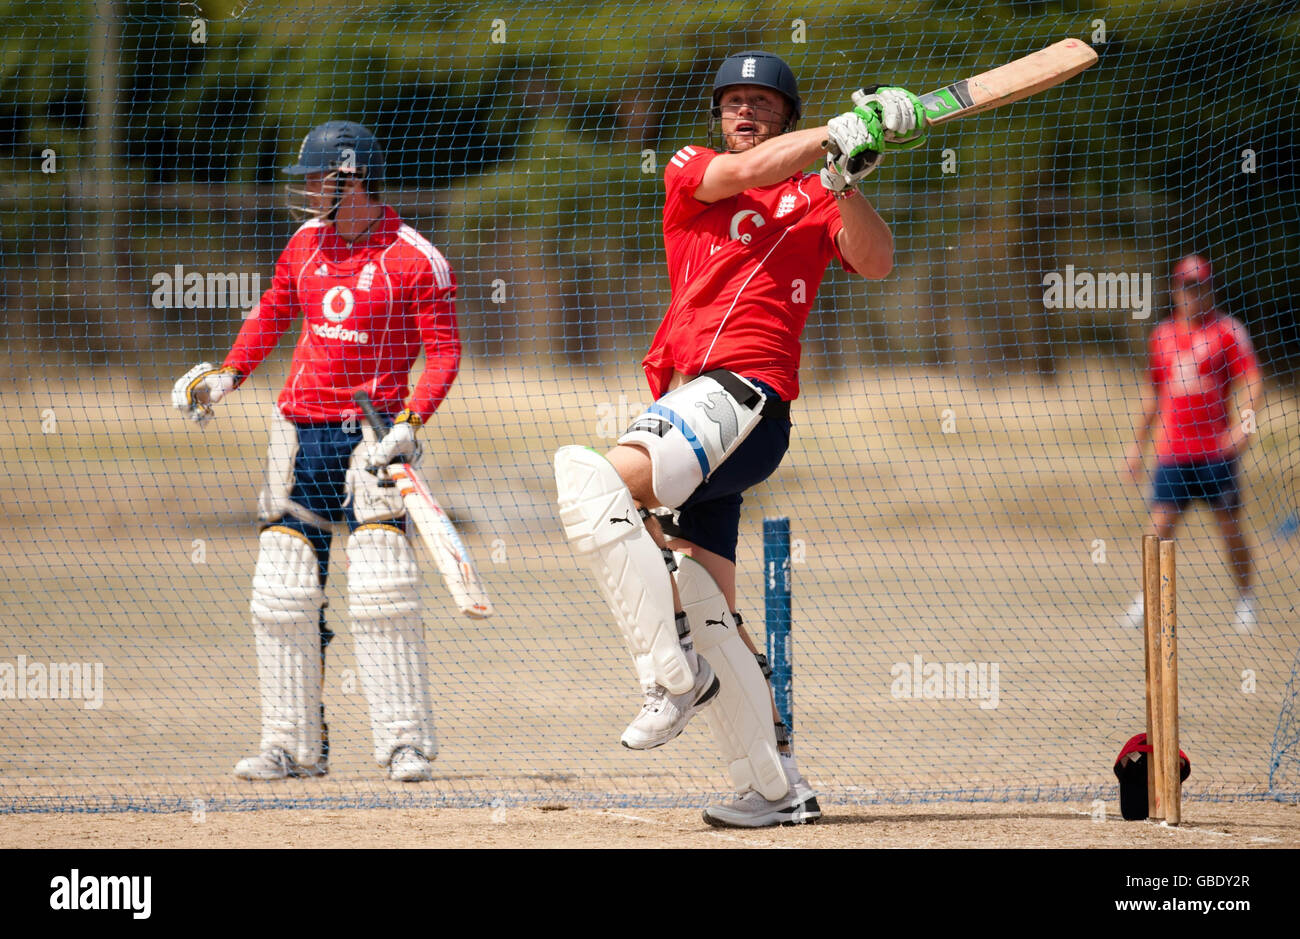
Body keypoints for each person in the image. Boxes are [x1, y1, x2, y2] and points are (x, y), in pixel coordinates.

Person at [555, 52, 920, 826]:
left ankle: (670, 677)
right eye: (734, 102)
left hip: (744, 394)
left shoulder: (820, 194)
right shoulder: (694, 169)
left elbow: (879, 261)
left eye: (762, 102)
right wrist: (836, 136)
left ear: (786, 113)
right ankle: (777, 785)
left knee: (587, 479)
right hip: (692, 404)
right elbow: (739, 171)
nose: (745, 111)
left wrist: (847, 176)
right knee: (704, 599)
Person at [172, 120, 461, 781]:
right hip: (298, 432)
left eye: (315, 179)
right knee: (280, 591)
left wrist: (414, 420)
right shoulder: (304, 242)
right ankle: (291, 746)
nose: (305, 190)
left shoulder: (417, 258)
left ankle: (404, 744)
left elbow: (444, 351)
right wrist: (229, 374)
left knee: (383, 587)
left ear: (351, 180)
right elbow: (273, 310)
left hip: (374, 434)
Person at [1122, 253, 1263, 634]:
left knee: (1229, 528)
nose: (1192, 294)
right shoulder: (1162, 336)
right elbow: (1153, 394)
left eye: (1199, 286)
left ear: (1210, 289)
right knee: (1158, 527)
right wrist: (1138, 446)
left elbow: (1253, 382)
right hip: (1173, 451)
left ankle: (1246, 599)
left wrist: (1244, 428)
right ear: (1175, 290)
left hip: (1216, 451)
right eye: (1186, 287)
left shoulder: (1228, 331)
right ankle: (1145, 598)